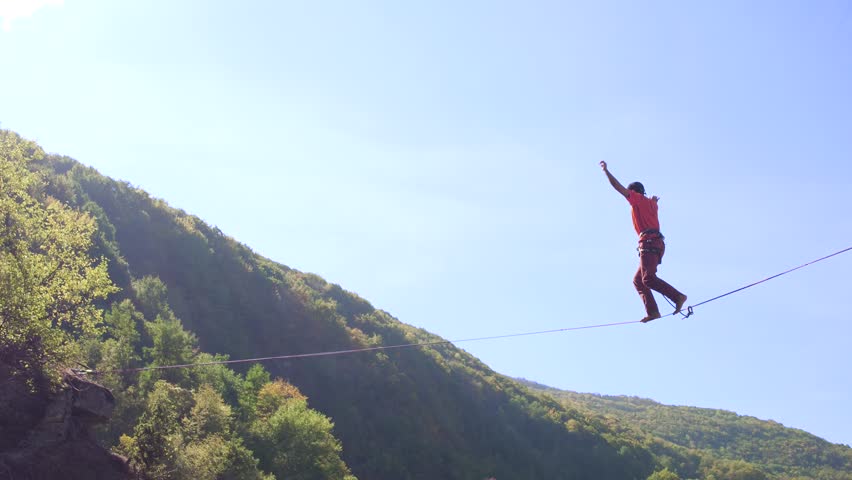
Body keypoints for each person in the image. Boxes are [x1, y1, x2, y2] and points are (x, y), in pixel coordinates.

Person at [600, 161, 687, 323]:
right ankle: (653, 312)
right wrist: (654, 200)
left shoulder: (637, 199)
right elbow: (653, 202)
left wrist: (606, 171)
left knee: (647, 279)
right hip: (657, 244)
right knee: (638, 280)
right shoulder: (651, 204)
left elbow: (617, 187)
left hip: (649, 243)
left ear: (633, 192)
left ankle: (678, 296)